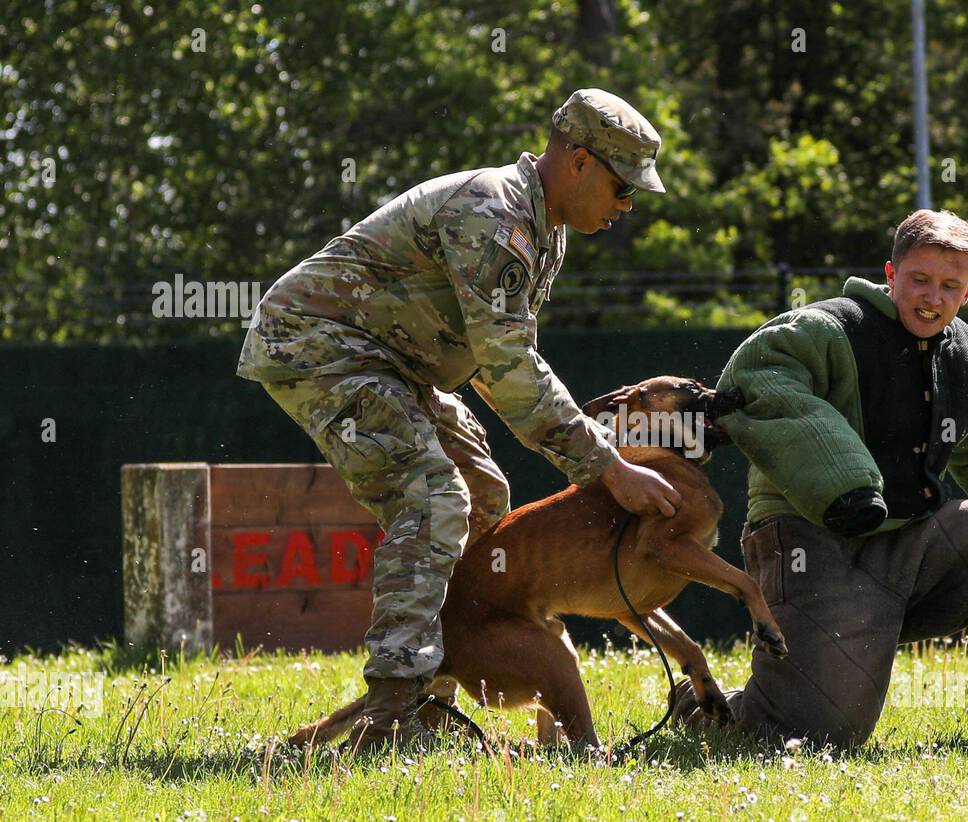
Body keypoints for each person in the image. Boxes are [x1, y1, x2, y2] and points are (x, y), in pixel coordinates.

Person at [236, 89, 681, 751]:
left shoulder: (541, 228)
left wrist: (593, 457)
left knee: (482, 498)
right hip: (319, 343)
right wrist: (607, 467)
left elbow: (500, 361)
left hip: (394, 362)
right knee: (434, 501)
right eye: (623, 189)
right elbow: (507, 365)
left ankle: (432, 696)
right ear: (580, 163)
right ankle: (391, 718)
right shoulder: (495, 214)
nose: (626, 207)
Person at [674, 209, 968, 748]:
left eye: (950, 286)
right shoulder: (823, 329)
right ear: (890, 274)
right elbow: (755, 376)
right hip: (811, 541)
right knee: (813, 737)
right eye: (920, 279)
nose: (933, 296)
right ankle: (706, 708)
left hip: (913, 543)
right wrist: (844, 483)